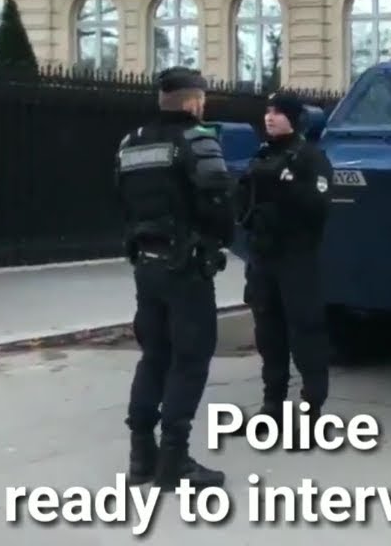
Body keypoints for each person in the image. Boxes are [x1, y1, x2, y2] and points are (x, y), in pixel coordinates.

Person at [116, 67, 235, 489]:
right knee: (190, 358)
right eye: (201, 99)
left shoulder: (131, 144)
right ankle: (174, 461)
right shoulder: (197, 140)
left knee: (154, 356)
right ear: (193, 102)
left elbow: (123, 202)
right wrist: (219, 240)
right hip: (186, 267)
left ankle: (140, 457)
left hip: (145, 265)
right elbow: (219, 202)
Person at [236, 92, 333, 437]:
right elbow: (244, 203)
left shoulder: (310, 158)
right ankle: (272, 406)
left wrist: (285, 187)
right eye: (268, 111)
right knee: (269, 334)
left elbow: (319, 207)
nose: (270, 117)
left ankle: (312, 407)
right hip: (263, 257)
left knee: (306, 333)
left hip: (297, 258)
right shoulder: (261, 156)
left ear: (295, 119)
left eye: (279, 113)